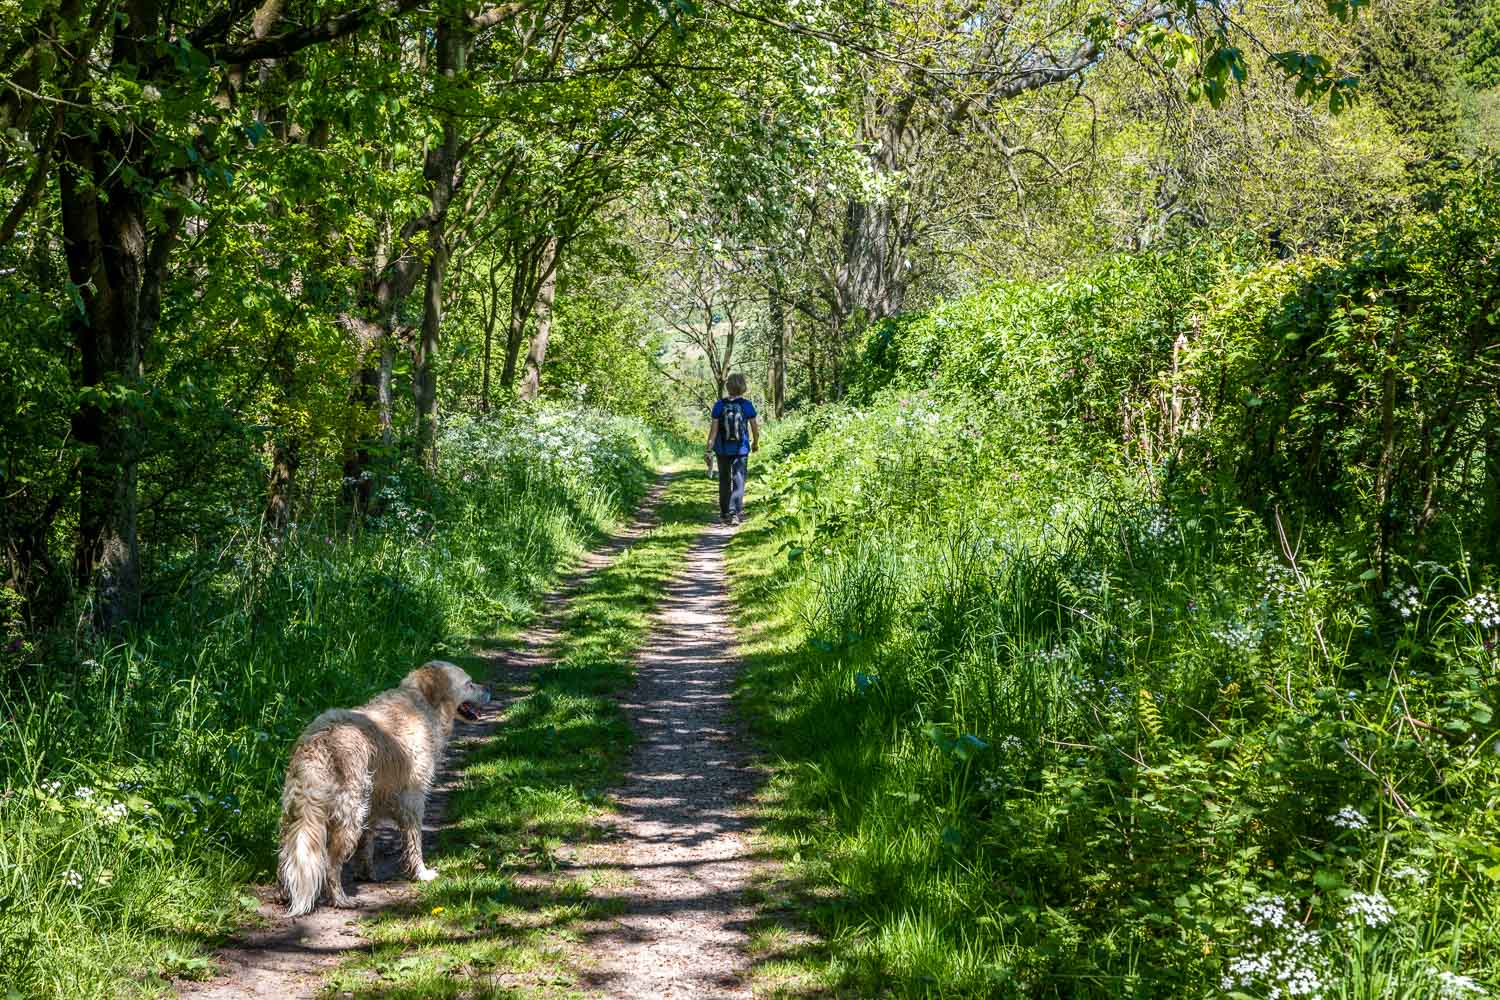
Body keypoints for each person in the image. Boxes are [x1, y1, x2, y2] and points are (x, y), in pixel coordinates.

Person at [706, 373, 759, 526]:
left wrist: (709, 448)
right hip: (741, 449)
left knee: (724, 480)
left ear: (728, 386)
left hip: (722, 449)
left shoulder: (719, 405)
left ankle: (724, 513)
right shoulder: (746, 405)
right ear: (743, 387)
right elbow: (755, 428)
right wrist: (755, 443)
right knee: (739, 479)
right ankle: (734, 513)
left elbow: (713, 431)